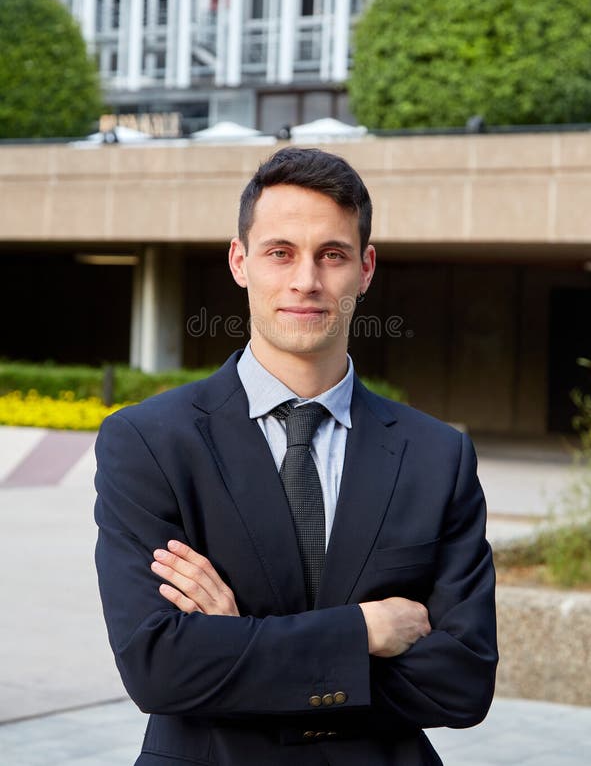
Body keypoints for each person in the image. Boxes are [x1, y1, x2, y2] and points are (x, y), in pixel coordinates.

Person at [94, 146, 497, 766]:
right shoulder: (148, 442)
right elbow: (159, 669)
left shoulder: (437, 456)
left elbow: (463, 683)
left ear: (365, 269)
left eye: (331, 255)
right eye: (280, 252)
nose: (305, 280)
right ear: (240, 262)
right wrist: (364, 631)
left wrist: (232, 645)